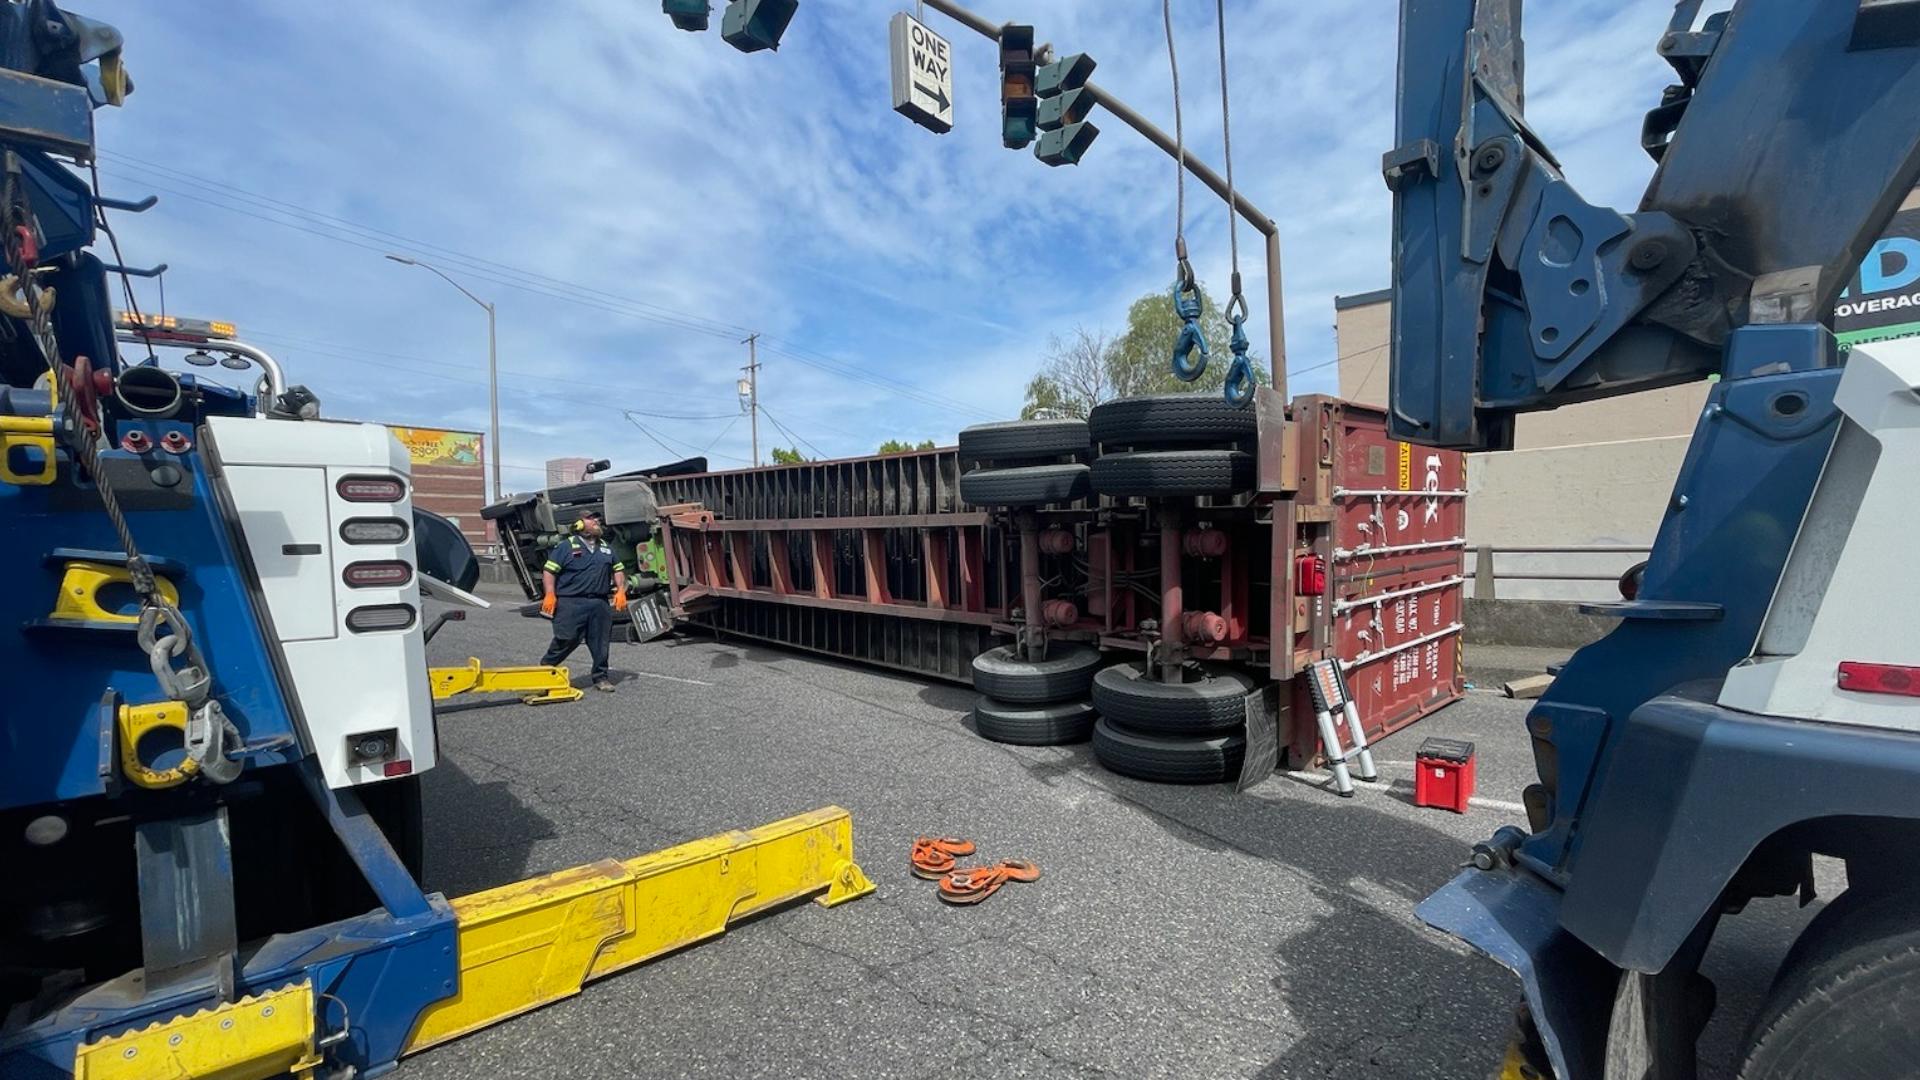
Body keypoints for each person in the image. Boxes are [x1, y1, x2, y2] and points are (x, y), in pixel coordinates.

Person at [538, 511, 627, 692]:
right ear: (579, 524)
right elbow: (549, 571)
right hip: (571, 602)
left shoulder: (606, 547)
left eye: (598, 519)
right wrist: (550, 594)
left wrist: (620, 590)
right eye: (591, 519)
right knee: (566, 638)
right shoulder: (566, 546)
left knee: (600, 642)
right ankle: (545, 670)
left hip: (599, 603)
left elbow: (618, 569)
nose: (597, 521)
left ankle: (600, 677)